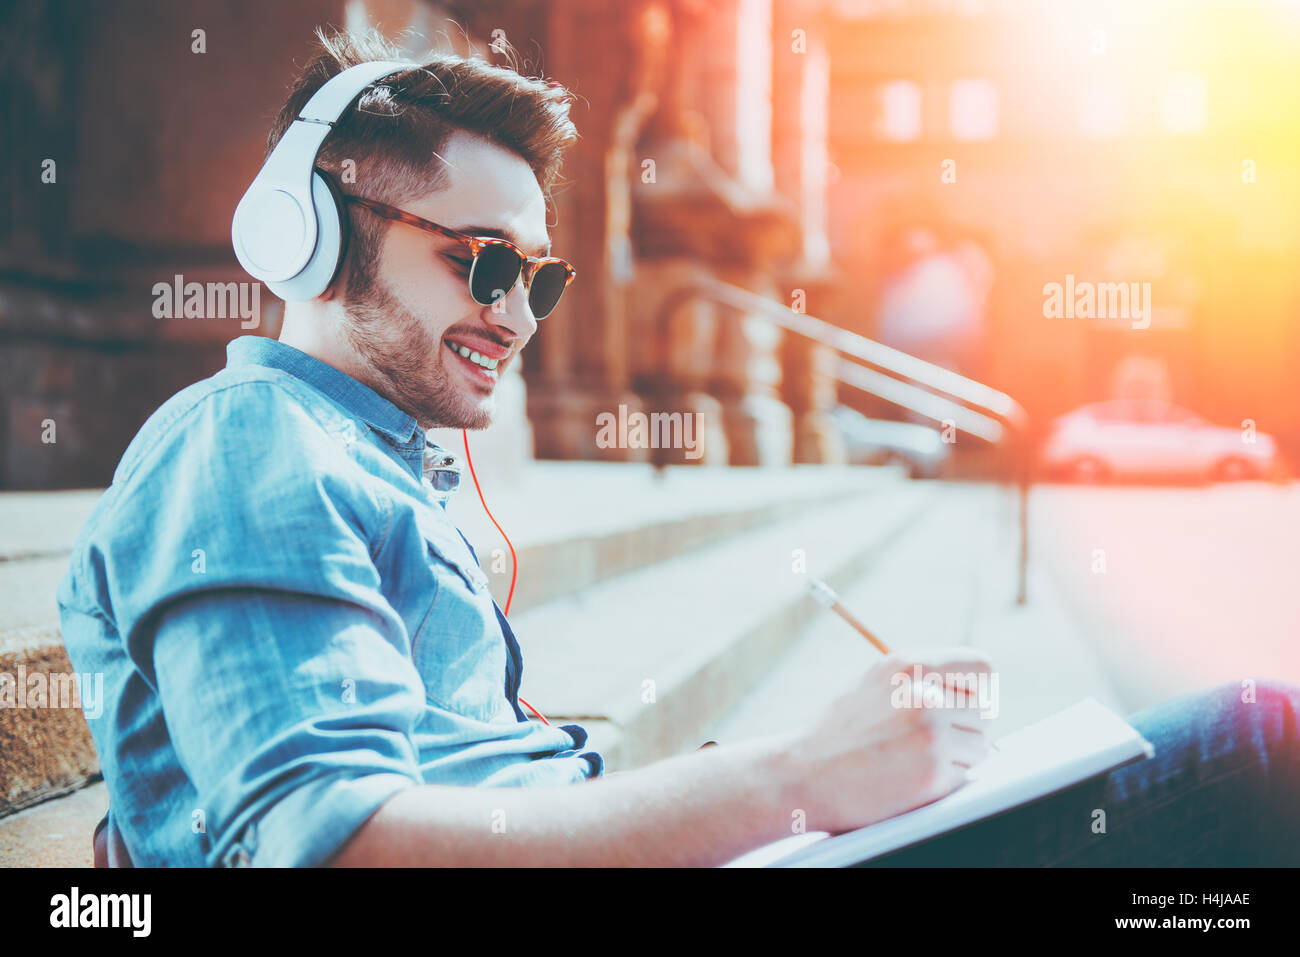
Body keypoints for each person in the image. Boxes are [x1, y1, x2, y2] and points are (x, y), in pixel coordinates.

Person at [57, 28, 1300, 868]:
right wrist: (795, 781)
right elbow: (325, 842)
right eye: (482, 262)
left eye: (538, 279)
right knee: (1253, 739)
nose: (514, 313)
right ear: (308, 236)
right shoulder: (248, 446)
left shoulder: (365, 459)